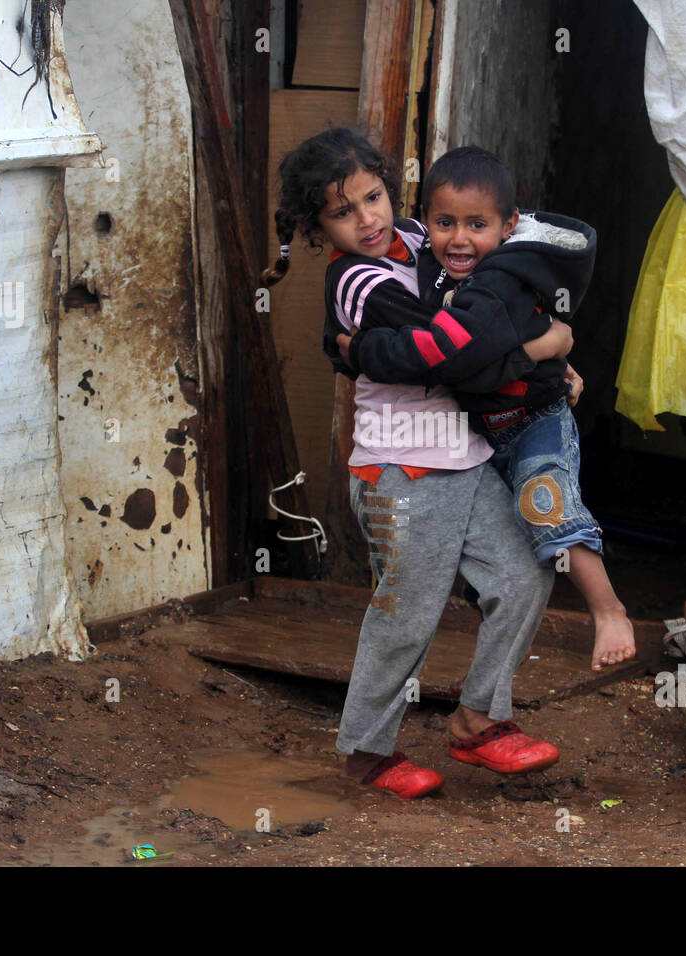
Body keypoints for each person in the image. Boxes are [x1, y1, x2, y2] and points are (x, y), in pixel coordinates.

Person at [263, 128, 572, 798]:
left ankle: (478, 720)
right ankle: (365, 753)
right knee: (407, 613)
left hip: (463, 460)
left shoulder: (422, 234)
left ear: (389, 187)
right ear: (320, 227)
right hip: (398, 470)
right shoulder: (354, 280)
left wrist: (544, 352)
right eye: (342, 213)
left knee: (524, 574)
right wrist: (543, 347)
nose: (367, 219)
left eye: (372, 197)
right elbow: (459, 343)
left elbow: (495, 295)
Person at [341, 146, 638, 672]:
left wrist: (363, 350)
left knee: (546, 503)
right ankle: (480, 704)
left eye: (477, 224)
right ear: (425, 221)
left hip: (535, 420)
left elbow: (457, 362)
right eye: (445, 222)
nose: (459, 238)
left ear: (509, 226)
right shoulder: (427, 263)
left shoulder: (501, 281)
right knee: (508, 545)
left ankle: (608, 609)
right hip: (489, 431)